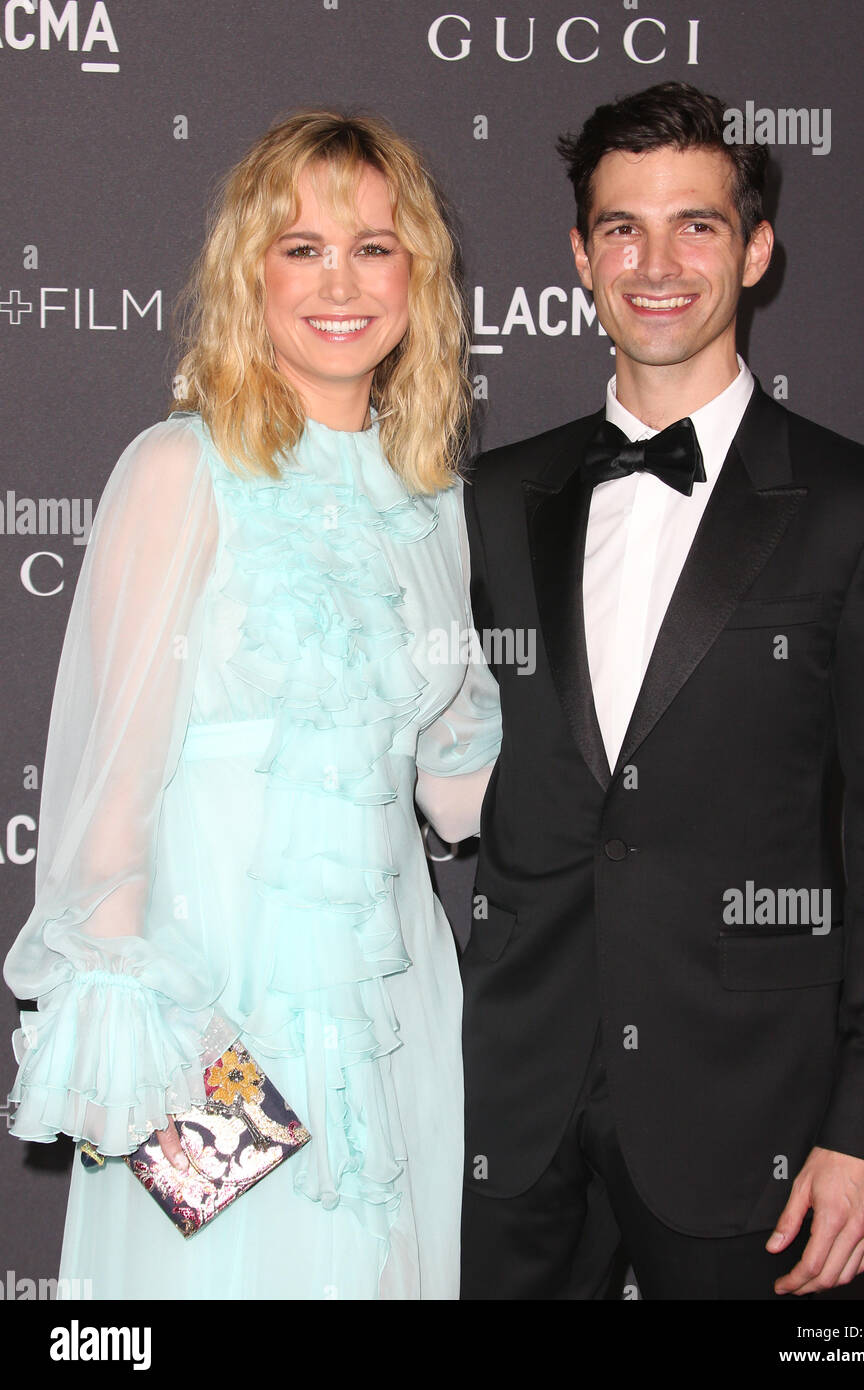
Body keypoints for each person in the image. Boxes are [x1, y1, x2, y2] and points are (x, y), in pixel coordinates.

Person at [458, 81, 864, 1300]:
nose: (657, 262)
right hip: (511, 1112)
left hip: (761, 1127)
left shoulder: (861, 506)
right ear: (580, 255)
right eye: (622, 227)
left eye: (698, 224)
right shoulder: (491, 498)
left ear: (757, 249)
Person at [3, 108, 500, 1300]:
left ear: (416, 277)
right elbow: (104, 818)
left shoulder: (428, 497)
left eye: (375, 247)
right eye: (302, 248)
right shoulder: (179, 469)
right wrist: (168, 1083)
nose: (341, 282)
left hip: (391, 1017)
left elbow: (453, 781)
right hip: (213, 1021)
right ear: (249, 274)